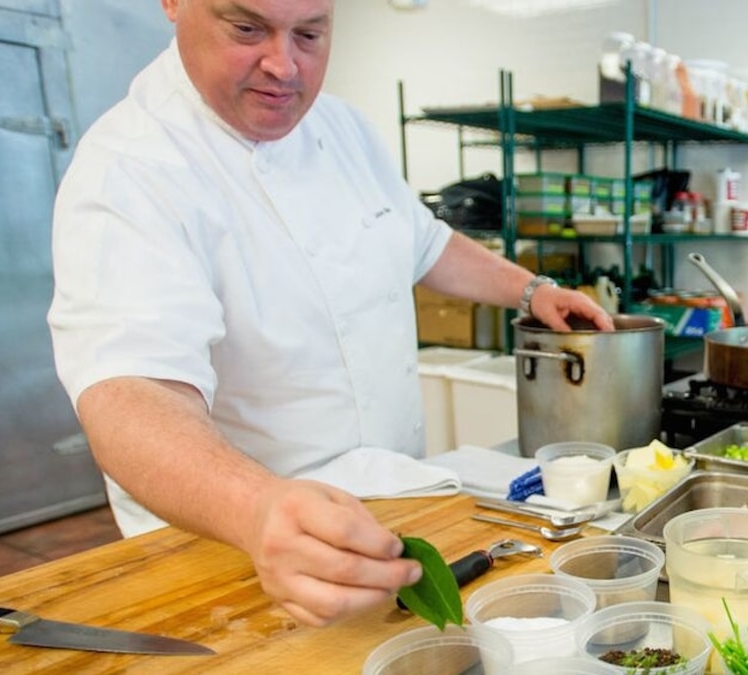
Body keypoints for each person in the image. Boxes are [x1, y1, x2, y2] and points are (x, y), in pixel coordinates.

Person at [47, 0, 614, 629]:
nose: (283, 67)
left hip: (389, 508)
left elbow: (421, 241)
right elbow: (130, 393)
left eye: (310, 34)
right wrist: (257, 510)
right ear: (175, 5)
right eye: (246, 28)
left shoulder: (342, 128)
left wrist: (531, 289)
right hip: (232, 546)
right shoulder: (130, 167)